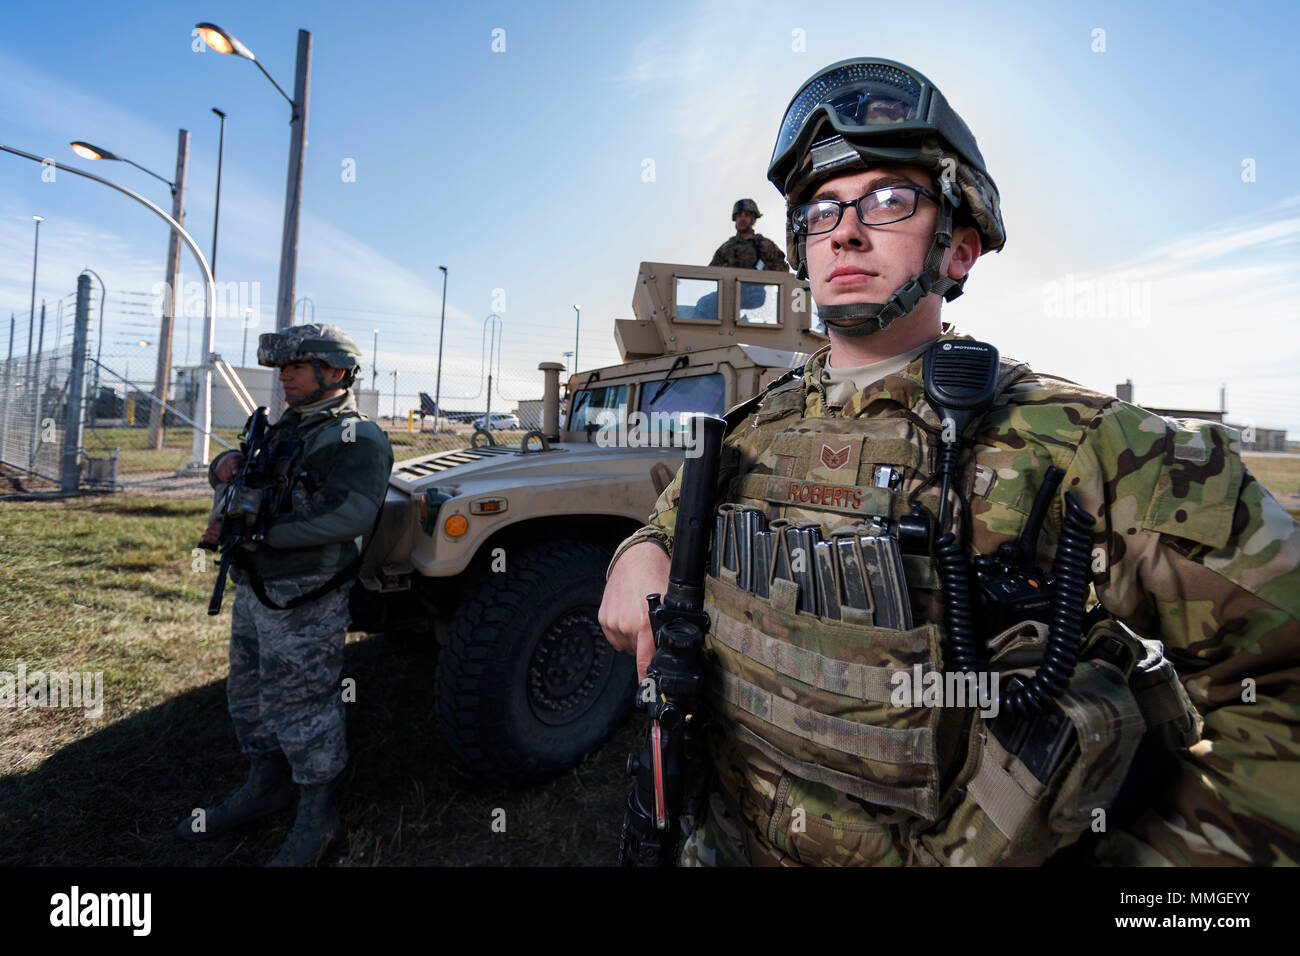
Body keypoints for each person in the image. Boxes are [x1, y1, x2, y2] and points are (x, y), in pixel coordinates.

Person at [600, 57, 1300, 866]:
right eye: (822, 210)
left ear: (959, 251)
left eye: (889, 200)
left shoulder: (1081, 444)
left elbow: (1279, 679)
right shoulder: (752, 428)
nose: (848, 230)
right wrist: (639, 550)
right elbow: (668, 524)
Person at [178, 323, 394, 866]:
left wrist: (262, 535)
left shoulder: (356, 437)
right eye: (282, 369)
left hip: (305, 595)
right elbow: (248, 473)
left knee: (303, 703)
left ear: (336, 372)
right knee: (249, 693)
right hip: (258, 587)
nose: (285, 378)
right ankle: (265, 785)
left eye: (297, 367)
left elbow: (350, 516)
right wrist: (220, 466)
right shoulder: (286, 427)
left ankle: (318, 816)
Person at [709, 198, 790, 271]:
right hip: (730, 287)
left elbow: (783, 269)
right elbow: (710, 273)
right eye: (739, 215)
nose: (742, 219)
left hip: (757, 286)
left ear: (753, 220)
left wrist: (763, 270)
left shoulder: (765, 245)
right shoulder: (726, 248)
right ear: (735, 219)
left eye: (747, 215)